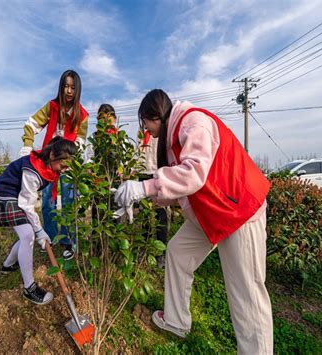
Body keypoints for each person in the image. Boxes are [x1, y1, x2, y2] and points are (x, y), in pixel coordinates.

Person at [114, 89, 272, 354]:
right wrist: (157, 198)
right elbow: (191, 187)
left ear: (157, 115)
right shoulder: (174, 137)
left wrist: (144, 188)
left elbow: (194, 174)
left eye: (147, 125)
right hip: (212, 212)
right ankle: (176, 321)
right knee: (177, 253)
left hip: (239, 211)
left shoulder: (193, 122)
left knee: (247, 295)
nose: (148, 133)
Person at [0, 137, 77, 305]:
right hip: (7, 193)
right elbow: (27, 205)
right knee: (28, 234)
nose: (64, 171)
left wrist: (38, 230)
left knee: (26, 235)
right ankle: (29, 288)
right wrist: (39, 230)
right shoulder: (33, 170)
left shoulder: (48, 167)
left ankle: (8, 265)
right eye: (63, 166)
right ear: (52, 156)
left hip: (18, 193)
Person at [19, 70, 88, 260]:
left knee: (69, 201)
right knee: (48, 200)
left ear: (77, 90)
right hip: (48, 163)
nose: (68, 91)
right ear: (61, 86)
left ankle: (68, 241)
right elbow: (31, 124)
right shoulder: (51, 107)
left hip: (69, 166)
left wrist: (72, 158)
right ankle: (47, 238)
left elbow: (81, 140)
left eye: (73, 87)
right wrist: (27, 145)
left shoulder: (81, 115)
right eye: (66, 86)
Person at [138, 130, 168, 269]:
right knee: (144, 215)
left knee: (160, 215)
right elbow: (139, 154)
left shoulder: (161, 132)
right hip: (143, 174)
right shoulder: (141, 133)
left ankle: (161, 253)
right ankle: (144, 249)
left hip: (158, 174)